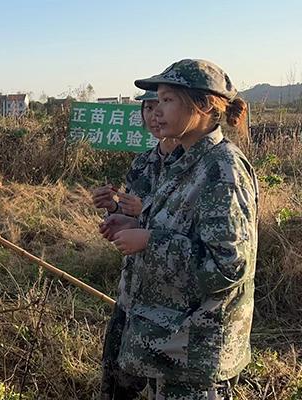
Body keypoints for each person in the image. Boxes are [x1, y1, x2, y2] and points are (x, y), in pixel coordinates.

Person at [104, 59, 258, 399]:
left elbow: (227, 266)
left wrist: (148, 242)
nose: (156, 111)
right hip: (167, 342)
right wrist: (134, 223)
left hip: (195, 355)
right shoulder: (184, 162)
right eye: (156, 101)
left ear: (203, 106)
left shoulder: (222, 170)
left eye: (168, 100)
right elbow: (181, 228)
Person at [96, 90, 182, 399]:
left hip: (173, 306)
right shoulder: (143, 163)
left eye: (162, 105)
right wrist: (115, 211)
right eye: (148, 107)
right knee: (117, 381)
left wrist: (141, 218)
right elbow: (139, 220)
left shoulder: (199, 167)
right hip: (133, 292)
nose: (155, 115)